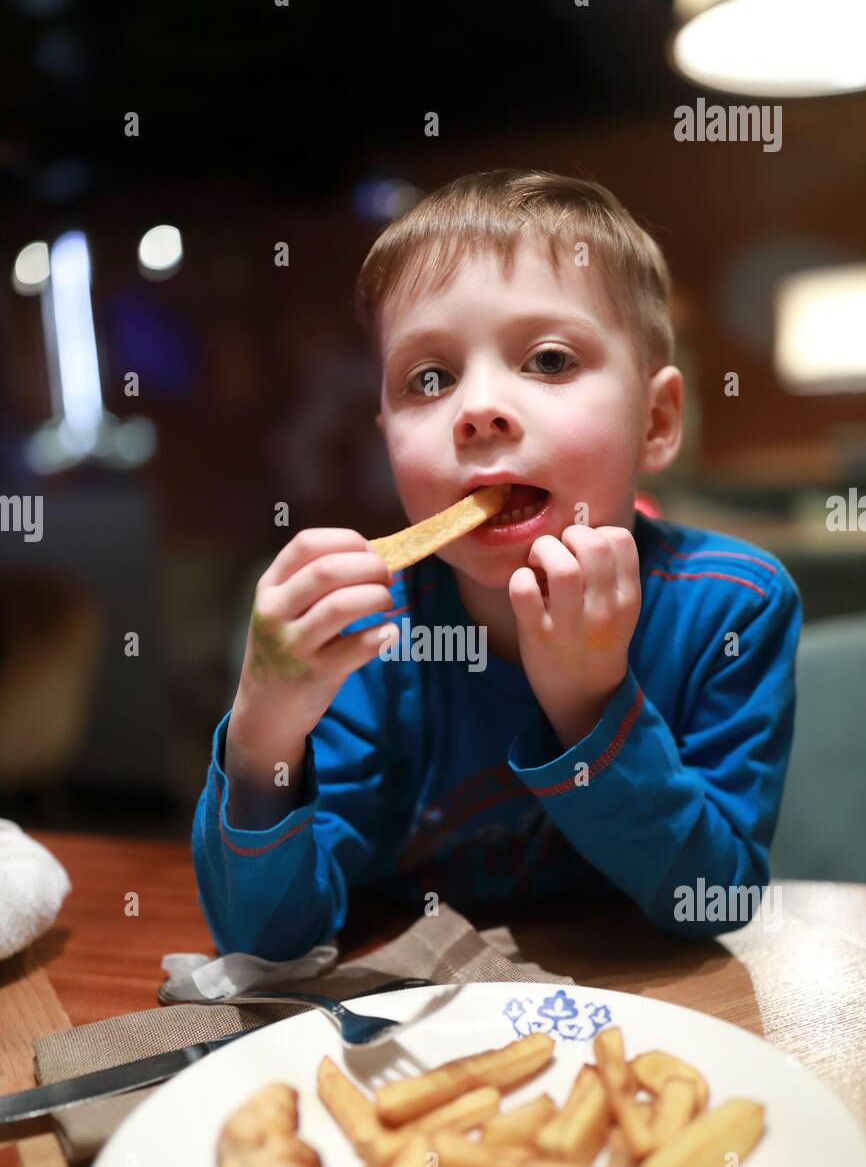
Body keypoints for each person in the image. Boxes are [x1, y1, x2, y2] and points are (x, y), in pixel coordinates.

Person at [192, 169, 801, 960]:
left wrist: (589, 704)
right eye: (430, 378)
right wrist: (264, 729)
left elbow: (712, 901)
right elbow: (265, 942)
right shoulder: (366, 638)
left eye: (548, 361)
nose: (477, 409)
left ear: (654, 421)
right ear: (388, 438)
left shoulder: (732, 609)